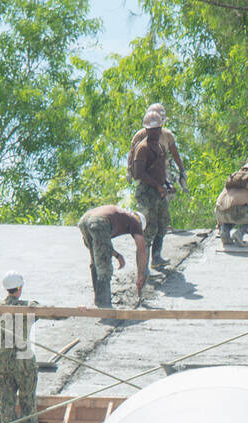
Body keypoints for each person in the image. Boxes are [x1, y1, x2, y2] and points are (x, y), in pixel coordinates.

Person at [0, 271, 40, 423]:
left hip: (2, 361)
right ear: (19, 288)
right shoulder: (29, 307)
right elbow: (53, 313)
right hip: (24, 361)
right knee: (27, 399)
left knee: (6, 400)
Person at [78, 204, 148, 307]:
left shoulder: (119, 215)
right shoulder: (135, 221)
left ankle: (99, 300)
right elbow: (141, 248)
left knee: (96, 260)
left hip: (84, 220)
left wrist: (117, 255)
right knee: (104, 266)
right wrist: (141, 274)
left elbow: (102, 244)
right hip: (99, 221)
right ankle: (104, 304)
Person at [130, 111, 175, 266]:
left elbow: (161, 171)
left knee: (163, 224)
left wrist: (168, 185)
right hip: (147, 193)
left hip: (159, 192)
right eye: (152, 129)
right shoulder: (142, 148)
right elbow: (139, 173)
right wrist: (157, 186)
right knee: (148, 228)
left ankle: (156, 258)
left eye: (158, 129)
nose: (155, 132)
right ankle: (142, 267)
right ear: (146, 130)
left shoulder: (161, 147)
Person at [128, 103, 186, 194]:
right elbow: (132, 154)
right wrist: (129, 170)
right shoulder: (140, 137)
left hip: (162, 171)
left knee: (165, 195)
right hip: (145, 173)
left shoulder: (167, 135)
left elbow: (175, 154)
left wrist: (182, 170)